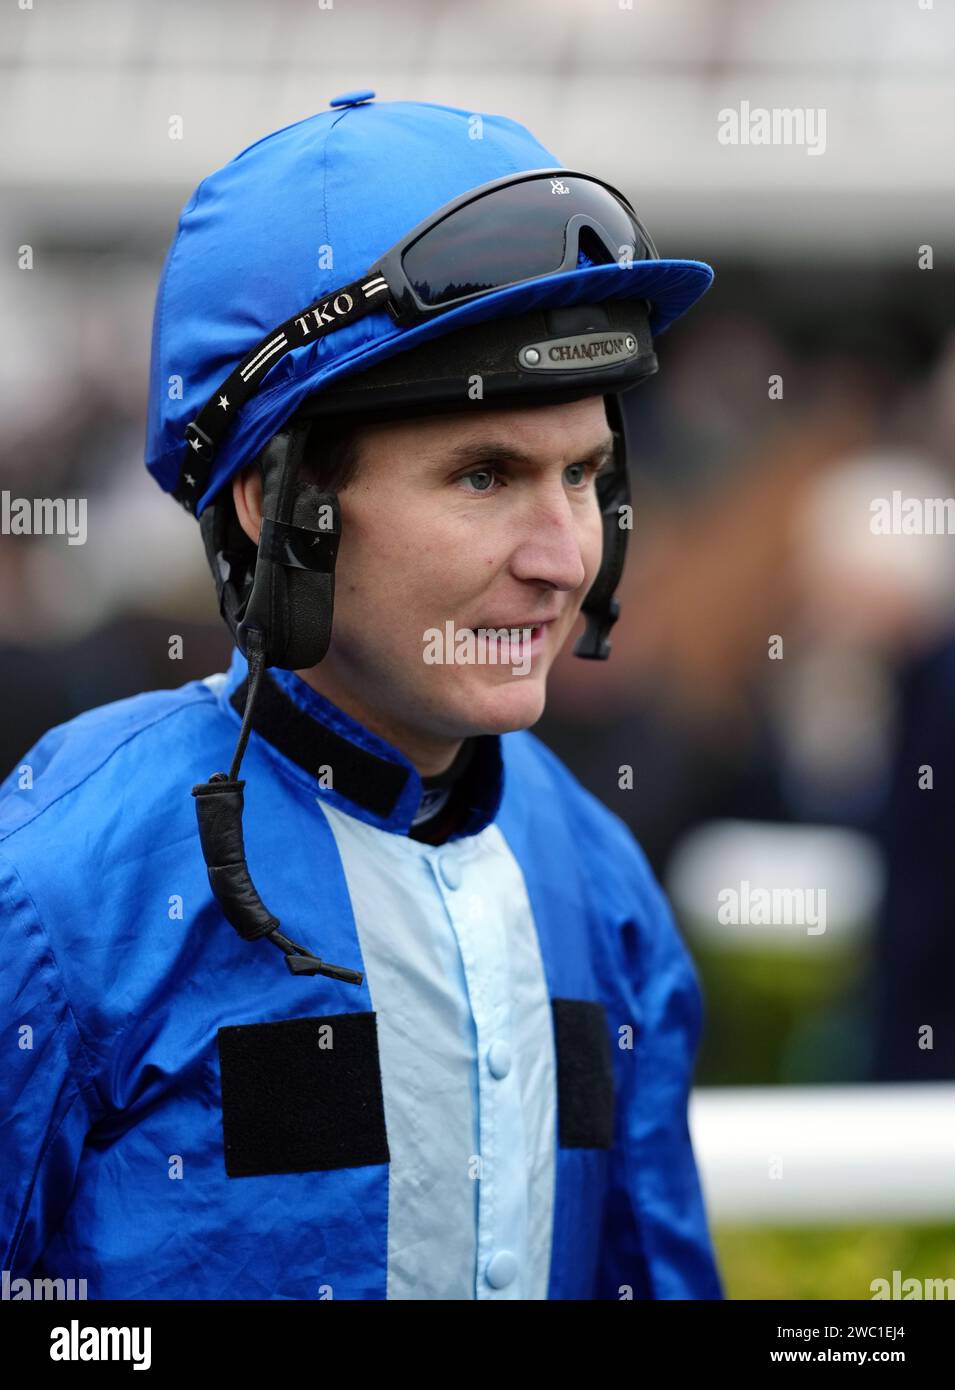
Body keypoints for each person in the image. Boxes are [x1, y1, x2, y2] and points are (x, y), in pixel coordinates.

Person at [0, 93, 722, 1300]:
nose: (564, 555)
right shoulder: (59, 886)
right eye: (485, 476)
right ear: (271, 506)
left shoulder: (600, 883)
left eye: (583, 474)